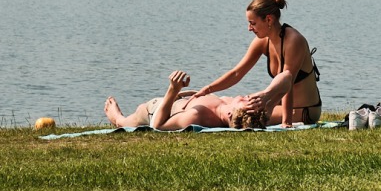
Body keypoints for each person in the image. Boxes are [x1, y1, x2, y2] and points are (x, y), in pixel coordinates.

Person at [191, 0, 322, 127]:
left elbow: (287, 82)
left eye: (253, 23)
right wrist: (207, 89)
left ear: (269, 20)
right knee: (231, 104)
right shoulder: (263, 41)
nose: (249, 28)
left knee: (236, 114)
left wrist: (286, 122)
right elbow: (237, 73)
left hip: (304, 111)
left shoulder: (293, 40)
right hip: (280, 104)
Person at [104, 71, 269, 130]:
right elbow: (285, 80)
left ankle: (117, 118)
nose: (248, 97)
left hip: (155, 110)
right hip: (182, 100)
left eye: (246, 102)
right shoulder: (229, 104)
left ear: (230, 115)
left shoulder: (199, 117)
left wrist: (173, 89)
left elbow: (158, 125)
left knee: (128, 120)